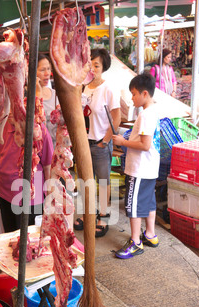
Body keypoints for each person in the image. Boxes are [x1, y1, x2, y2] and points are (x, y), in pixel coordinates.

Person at [112, 72, 160, 259]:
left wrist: (123, 143)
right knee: (148, 202)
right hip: (149, 168)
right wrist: (127, 136)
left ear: (145, 94)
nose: (132, 98)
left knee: (132, 205)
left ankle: (136, 242)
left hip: (139, 169)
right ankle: (150, 234)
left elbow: (145, 145)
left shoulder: (146, 115)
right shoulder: (153, 111)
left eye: (134, 94)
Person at [74, 48, 121, 238]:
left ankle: (103, 216)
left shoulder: (108, 89)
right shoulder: (83, 87)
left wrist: (105, 141)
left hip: (100, 142)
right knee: (86, 181)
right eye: (90, 64)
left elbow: (116, 117)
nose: (93, 68)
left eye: (97, 65)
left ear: (103, 67)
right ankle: (88, 215)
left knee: (103, 182)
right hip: (84, 142)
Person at [0, 116, 54, 233]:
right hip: (4, 192)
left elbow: (48, 166)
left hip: (31, 197)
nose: (10, 113)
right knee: (10, 236)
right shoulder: (4, 125)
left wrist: (50, 197)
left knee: (29, 239)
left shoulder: (39, 131)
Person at [37, 54, 58, 148]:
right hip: (38, 150)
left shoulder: (56, 95)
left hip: (56, 149)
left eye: (49, 69)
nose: (47, 73)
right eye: (42, 70)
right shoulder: (26, 96)